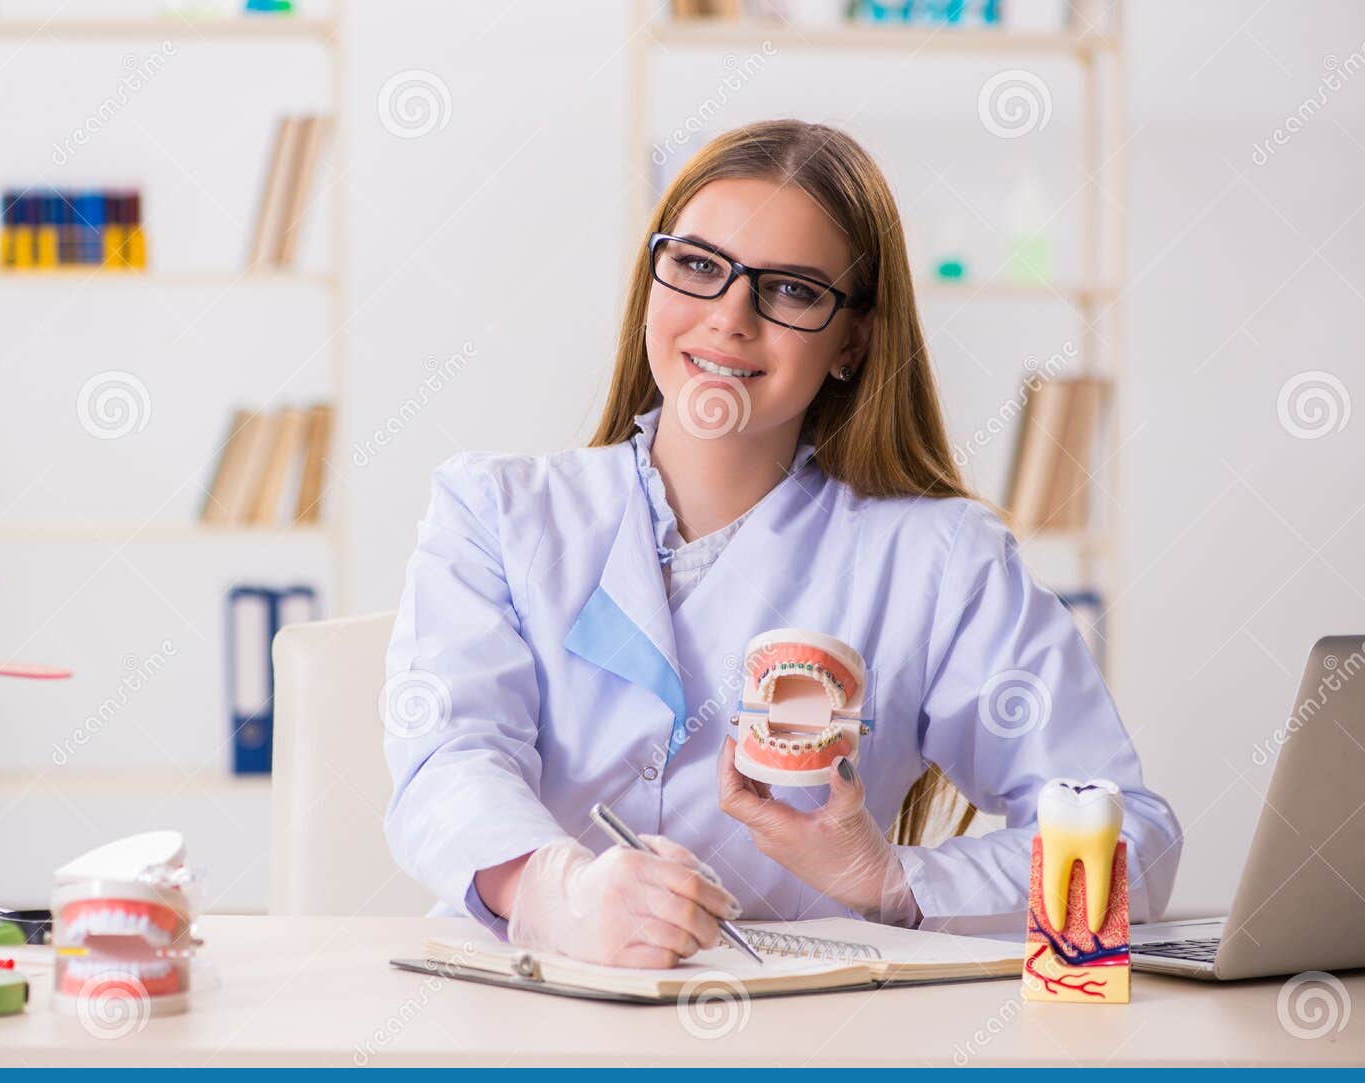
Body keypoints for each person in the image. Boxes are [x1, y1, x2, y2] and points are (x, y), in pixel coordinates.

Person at [382, 119, 1182, 969]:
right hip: (521, 1002)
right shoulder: (495, 511)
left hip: (798, 1025)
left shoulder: (940, 560)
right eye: (699, 266)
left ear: (853, 341)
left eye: (792, 290)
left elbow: (1132, 841)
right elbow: (448, 759)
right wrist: (557, 893)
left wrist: (894, 882)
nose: (730, 318)